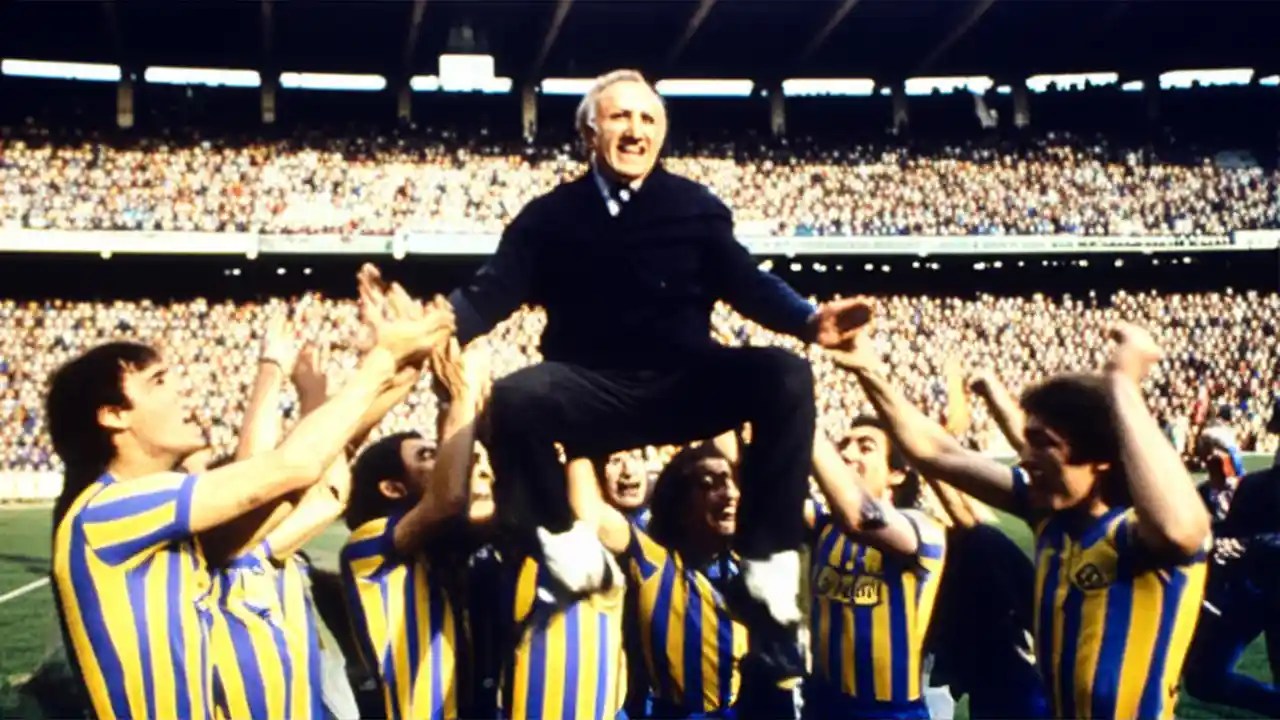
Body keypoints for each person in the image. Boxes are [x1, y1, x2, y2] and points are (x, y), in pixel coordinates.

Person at [440, 68, 871, 689]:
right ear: (589, 131)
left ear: (662, 135)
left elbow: (747, 284)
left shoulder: (695, 207)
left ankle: (765, 570)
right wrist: (433, 327)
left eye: (648, 120)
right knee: (516, 396)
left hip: (683, 383)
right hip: (593, 389)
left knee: (783, 375)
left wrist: (809, 319)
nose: (635, 131)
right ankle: (562, 544)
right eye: (620, 117)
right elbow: (491, 294)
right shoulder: (548, 217)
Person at [45, 281, 451, 720]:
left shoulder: (165, 534)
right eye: (158, 381)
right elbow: (290, 466)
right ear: (113, 415)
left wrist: (405, 367)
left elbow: (303, 482)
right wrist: (382, 359)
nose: (182, 392)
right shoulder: (110, 511)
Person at [827, 311, 1211, 720]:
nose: (1023, 458)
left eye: (1041, 443)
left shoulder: (1137, 536)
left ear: (1098, 459)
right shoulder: (1048, 517)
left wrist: (1121, 383)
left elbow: (1182, 530)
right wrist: (868, 368)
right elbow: (936, 452)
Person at [341, 337, 487, 720]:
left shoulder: (437, 540)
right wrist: (463, 394)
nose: (440, 459)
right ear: (392, 488)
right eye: (426, 455)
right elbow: (447, 497)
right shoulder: (366, 543)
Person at [567, 443, 755, 718]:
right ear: (681, 504)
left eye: (731, 482)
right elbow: (592, 514)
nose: (729, 494)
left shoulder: (749, 560)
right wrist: (575, 430)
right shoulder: (655, 560)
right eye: (708, 485)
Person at [803, 419, 948, 719]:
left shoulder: (923, 529)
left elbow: (861, 517)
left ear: (897, 473)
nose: (847, 454)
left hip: (889, 712)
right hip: (823, 702)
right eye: (844, 446)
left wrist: (801, 417)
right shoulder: (825, 528)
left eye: (865, 447)